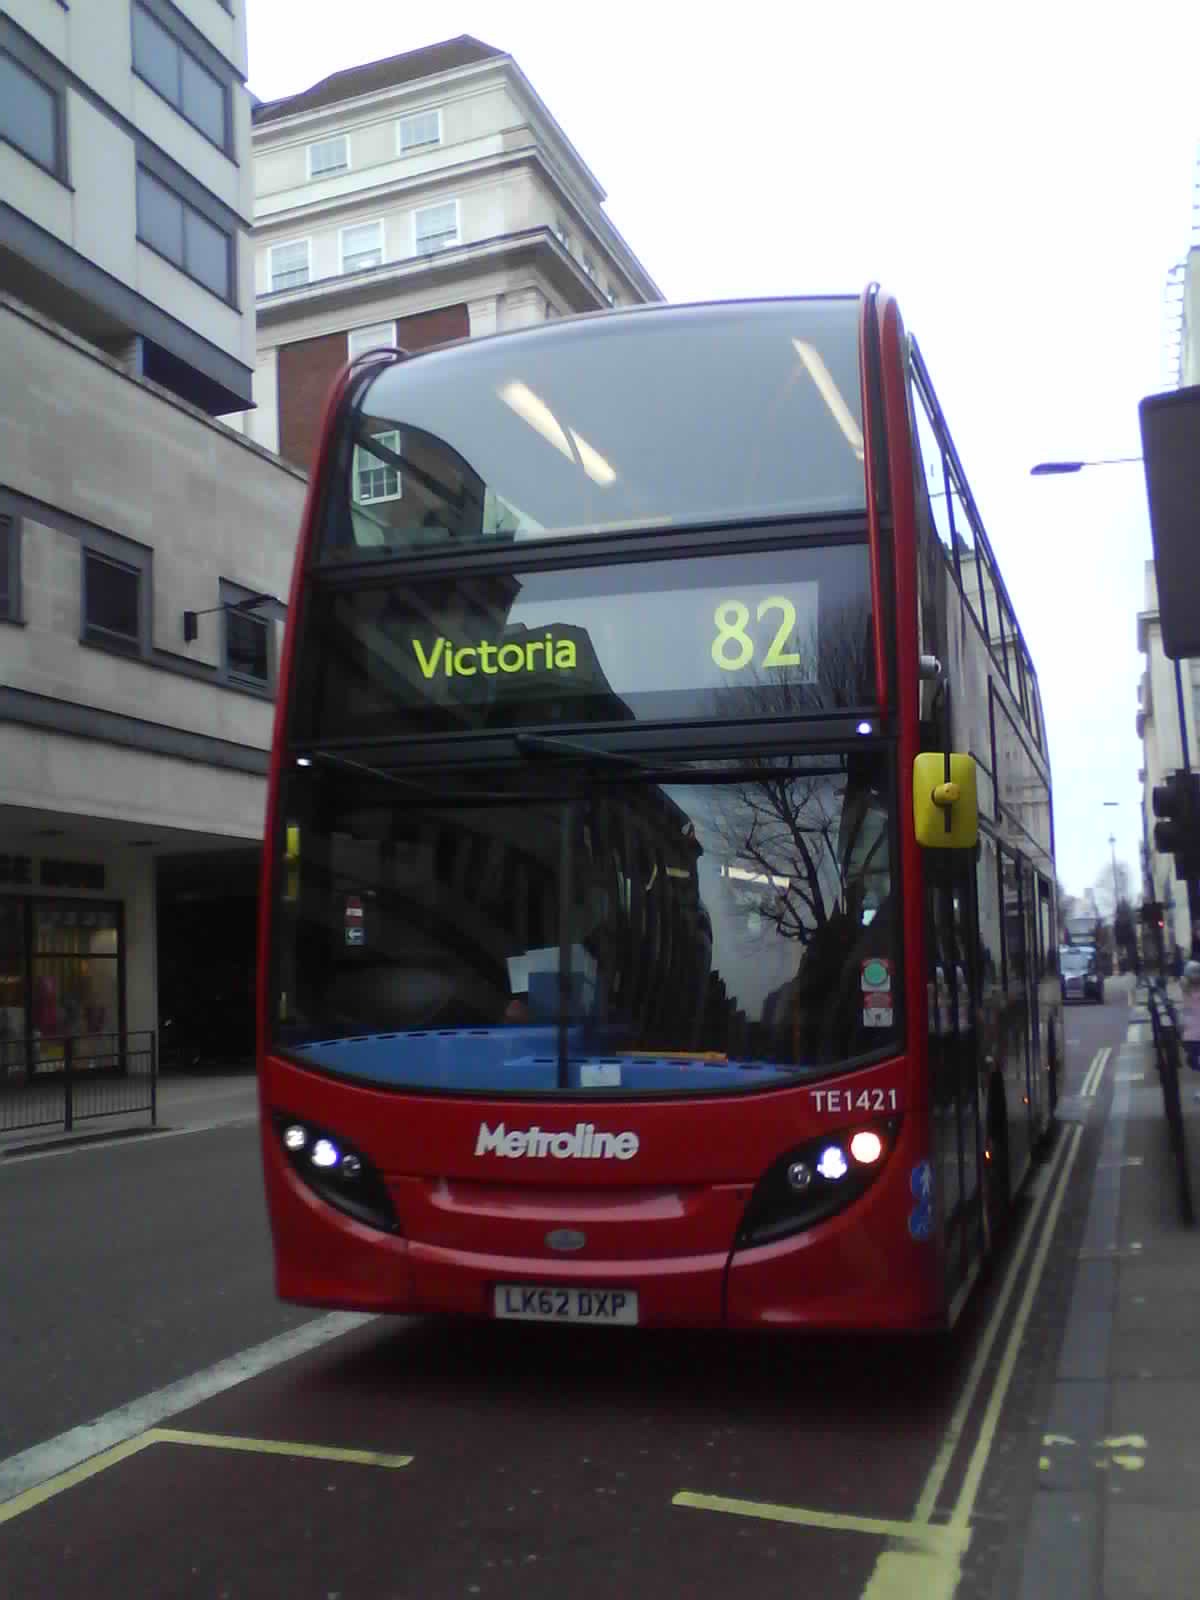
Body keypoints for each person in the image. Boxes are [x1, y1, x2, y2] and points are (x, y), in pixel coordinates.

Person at [1179, 960, 1200, 1101]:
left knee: (1195, 1060)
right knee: (1193, 1060)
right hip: (1193, 1034)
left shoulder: (1185, 989)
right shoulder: (1187, 990)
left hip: (1192, 1034)